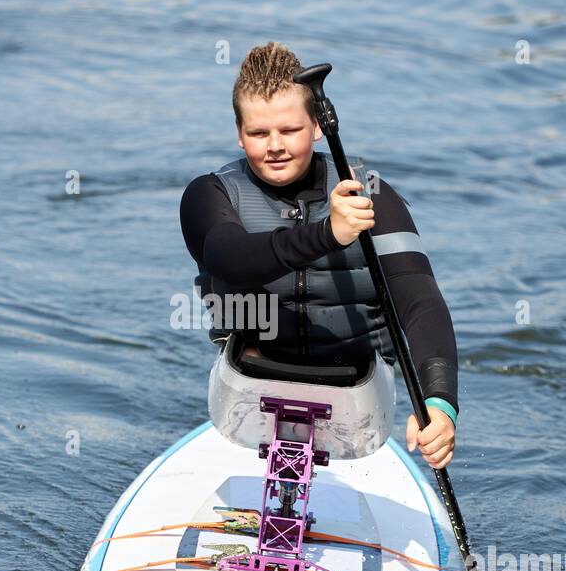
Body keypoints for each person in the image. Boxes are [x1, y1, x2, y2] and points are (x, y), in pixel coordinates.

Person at [179, 42, 459, 470]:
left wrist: (438, 403)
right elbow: (228, 258)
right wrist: (330, 233)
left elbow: (418, 300)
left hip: (359, 396)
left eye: (289, 130)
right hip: (248, 388)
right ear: (239, 134)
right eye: (257, 133)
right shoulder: (210, 194)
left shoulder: (370, 194)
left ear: (315, 126)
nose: (274, 146)